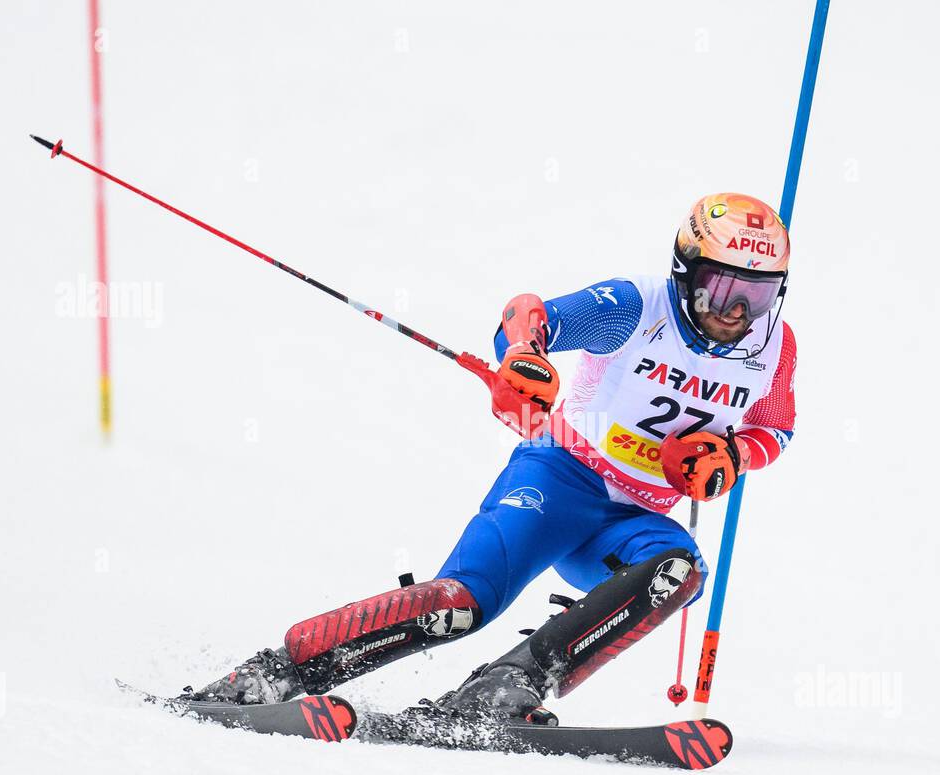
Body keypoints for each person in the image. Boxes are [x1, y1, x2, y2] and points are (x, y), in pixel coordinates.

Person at [191, 192, 797, 724]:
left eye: (758, 294)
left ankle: (505, 688)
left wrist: (732, 455)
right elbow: (530, 316)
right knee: (462, 604)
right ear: (686, 271)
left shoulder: (774, 346)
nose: (736, 312)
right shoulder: (636, 308)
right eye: (723, 287)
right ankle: (275, 673)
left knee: (679, 571)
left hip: (631, 522)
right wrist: (522, 362)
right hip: (561, 477)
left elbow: (777, 427)